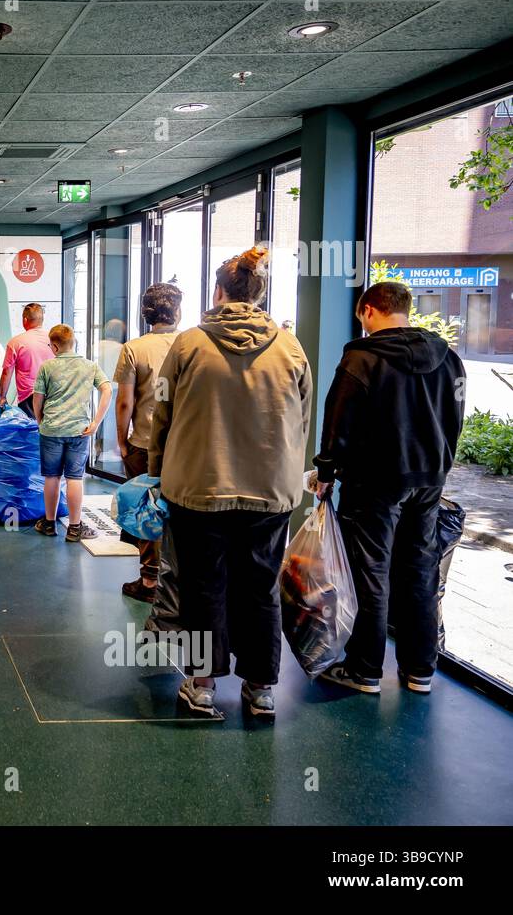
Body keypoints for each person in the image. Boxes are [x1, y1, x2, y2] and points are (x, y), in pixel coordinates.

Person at [148, 248, 312, 719]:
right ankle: (260, 690)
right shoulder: (290, 347)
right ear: (260, 294)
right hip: (270, 491)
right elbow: (302, 418)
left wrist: (158, 469)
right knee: (260, 585)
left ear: (218, 291)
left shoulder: (188, 345)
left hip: (199, 487)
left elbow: (163, 411)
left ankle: (201, 687)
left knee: (203, 584)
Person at [313, 281, 465, 696]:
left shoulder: (361, 359)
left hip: (374, 483)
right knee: (420, 573)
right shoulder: (448, 358)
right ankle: (420, 670)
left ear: (367, 311)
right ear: (406, 309)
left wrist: (325, 471)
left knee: (370, 574)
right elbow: (456, 418)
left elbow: (337, 424)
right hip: (429, 481)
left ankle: (364, 669)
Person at [114, 283, 182, 602]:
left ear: (146, 314)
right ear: (177, 311)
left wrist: (121, 440)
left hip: (144, 442)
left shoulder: (133, 348)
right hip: (185, 446)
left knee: (148, 512)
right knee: (181, 512)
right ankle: (178, 581)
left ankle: (150, 582)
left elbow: (125, 402)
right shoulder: (192, 344)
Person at [32, 324, 112, 542]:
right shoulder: (89, 366)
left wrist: (41, 421)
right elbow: (107, 389)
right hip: (80, 431)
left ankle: (49, 524)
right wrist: (96, 422)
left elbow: (37, 399)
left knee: (52, 476)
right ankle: (75, 528)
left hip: (51, 429)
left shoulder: (47, 367)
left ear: (55, 346)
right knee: (75, 478)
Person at [0, 303, 55, 419]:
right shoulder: (54, 340)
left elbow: (6, 373)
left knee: (31, 432)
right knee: (49, 432)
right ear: (42, 319)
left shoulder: (15, 342)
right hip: (52, 393)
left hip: (29, 396)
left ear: (25, 319)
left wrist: (3, 397)